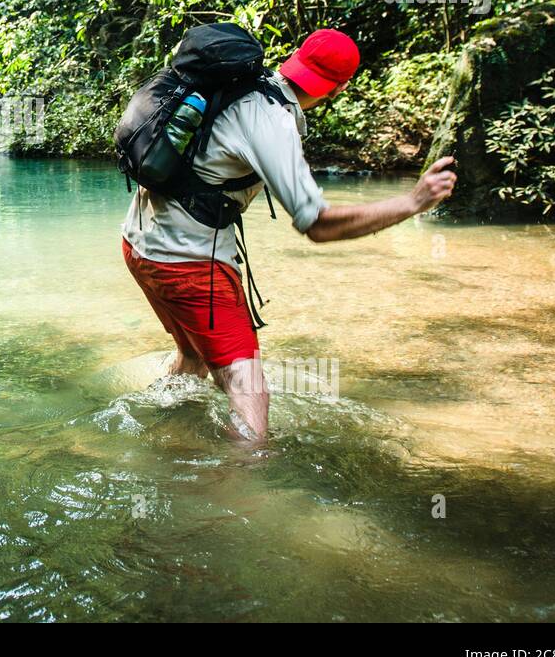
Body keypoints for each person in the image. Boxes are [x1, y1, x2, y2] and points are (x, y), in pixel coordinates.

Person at [121, 28, 457, 442]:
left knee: (194, 359)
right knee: (251, 398)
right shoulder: (271, 118)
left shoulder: (236, 87)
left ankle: (162, 433)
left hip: (139, 245)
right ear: (339, 88)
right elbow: (317, 225)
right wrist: (413, 202)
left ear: (294, 59)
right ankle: (229, 496)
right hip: (187, 264)